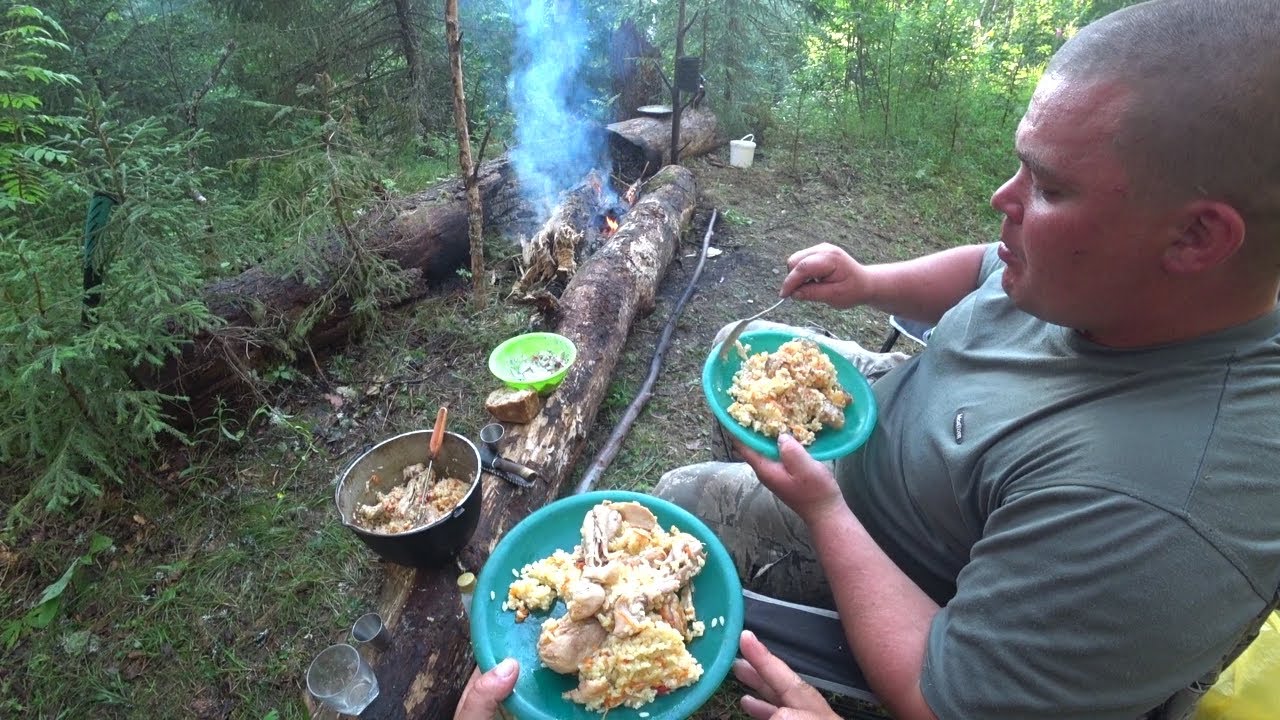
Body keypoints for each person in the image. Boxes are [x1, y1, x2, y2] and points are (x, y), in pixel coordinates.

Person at [655, 1, 1280, 718]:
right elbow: (990, 266)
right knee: (732, 342)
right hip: (910, 418)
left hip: (868, 538)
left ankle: (744, 572)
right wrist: (868, 281)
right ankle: (755, 503)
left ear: (1196, 239)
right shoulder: (1105, 280)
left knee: (680, 496)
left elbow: (942, 698)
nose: (1002, 198)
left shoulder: (1156, 513)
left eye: (1048, 187)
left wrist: (823, 510)